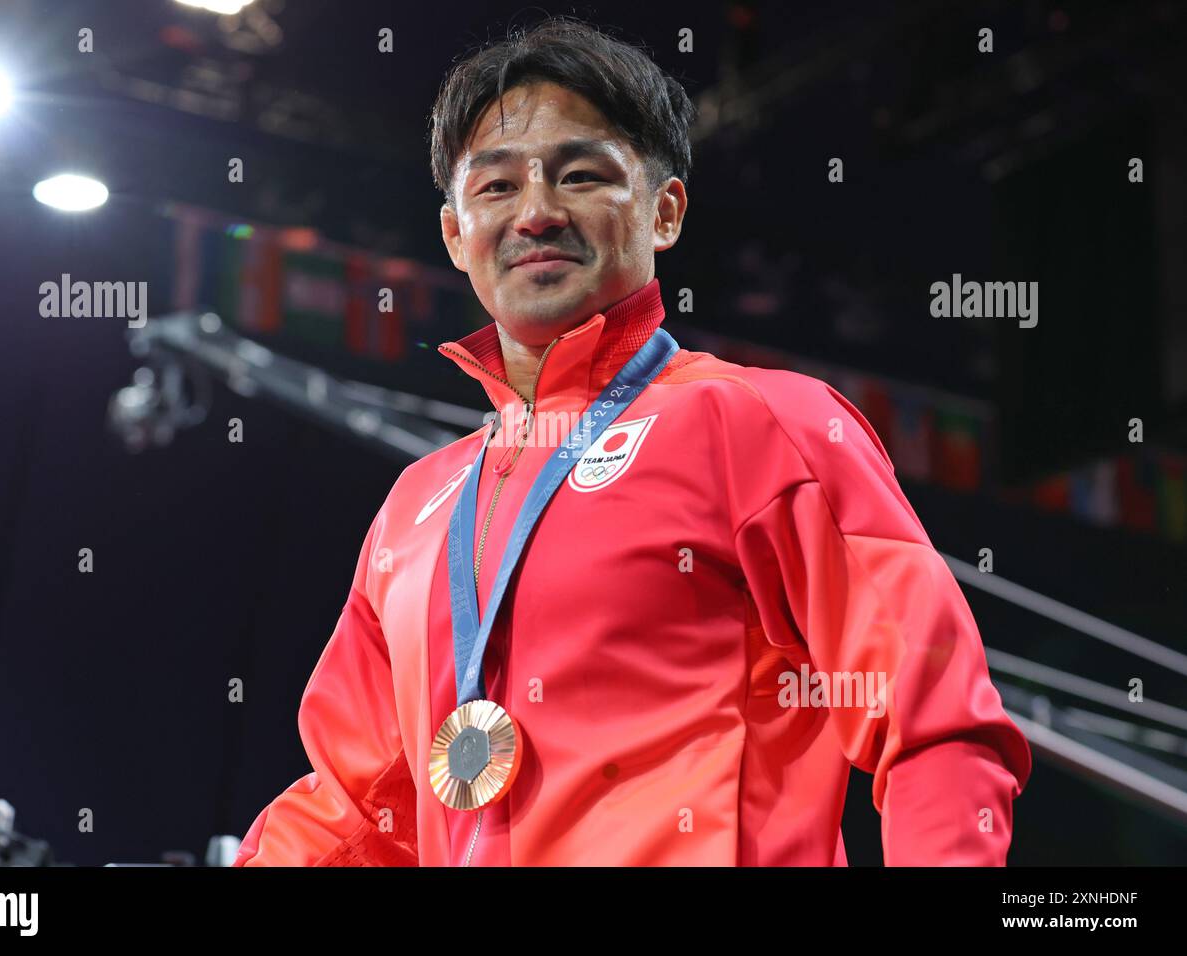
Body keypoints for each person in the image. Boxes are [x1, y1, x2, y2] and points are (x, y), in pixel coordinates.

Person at [233, 16, 1031, 867]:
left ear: (665, 212)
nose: (536, 212)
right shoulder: (416, 508)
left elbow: (935, 721)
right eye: (496, 187)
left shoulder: (761, 423)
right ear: (455, 236)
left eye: (581, 175)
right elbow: (354, 809)